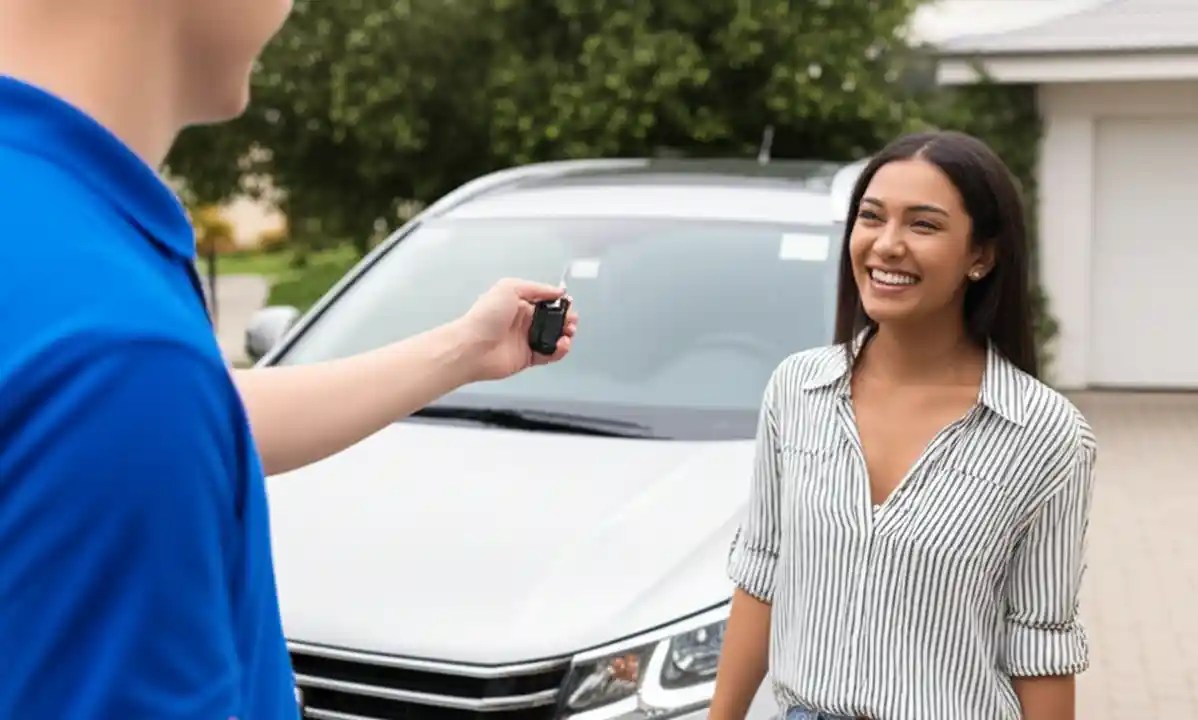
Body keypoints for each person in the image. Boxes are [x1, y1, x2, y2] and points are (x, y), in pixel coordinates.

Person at [0, 1, 577, 718]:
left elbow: (206, 416)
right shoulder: (121, 356)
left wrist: (464, 349)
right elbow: (142, 406)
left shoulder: (47, 248)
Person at [709, 131, 1097, 720]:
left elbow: (1041, 641)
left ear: (981, 255)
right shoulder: (797, 390)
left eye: (923, 225)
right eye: (871, 217)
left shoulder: (1046, 434)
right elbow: (762, 571)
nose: (887, 245)